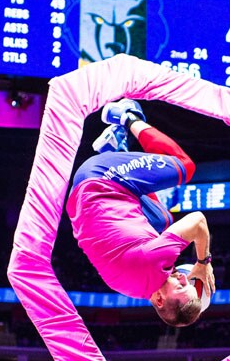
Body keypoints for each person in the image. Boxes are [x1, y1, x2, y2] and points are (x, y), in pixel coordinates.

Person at [66, 99, 215, 327]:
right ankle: (116, 147)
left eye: (181, 286)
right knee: (162, 220)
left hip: (100, 176)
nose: (185, 278)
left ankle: (125, 116)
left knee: (185, 167)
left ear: (159, 299)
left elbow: (199, 221)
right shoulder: (134, 290)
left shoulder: (155, 260)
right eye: (189, 284)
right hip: (80, 199)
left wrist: (203, 262)